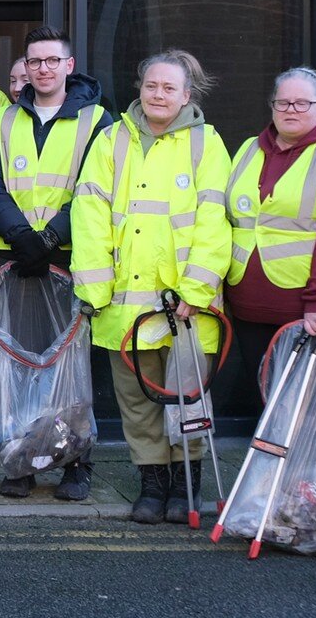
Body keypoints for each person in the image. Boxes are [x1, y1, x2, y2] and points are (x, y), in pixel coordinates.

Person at [70, 49, 231, 526]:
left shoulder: (206, 144)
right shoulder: (112, 140)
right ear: (139, 88)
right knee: (137, 404)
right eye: (151, 86)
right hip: (125, 305)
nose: (158, 95)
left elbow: (214, 222)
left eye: (169, 88)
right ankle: (152, 485)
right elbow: (90, 213)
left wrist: (196, 292)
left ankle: (186, 485)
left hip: (186, 307)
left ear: (186, 95)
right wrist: (96, 291)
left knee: (187, 399)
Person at [0, 25, 115, 500]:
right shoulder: (5, 120)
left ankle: (76, 463)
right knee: (18, 365)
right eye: (35, 62)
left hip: (73, 257)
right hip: (15, 258)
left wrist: (52, 236)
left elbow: (99, 191)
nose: (43, 69)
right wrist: (22, 237)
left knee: (71, 369)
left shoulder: (99, 121)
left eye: (52, 60)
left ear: (69, 66)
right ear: (26, 68)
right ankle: (21, 461)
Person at [220, 67, 316, 422]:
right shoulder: (248, 149)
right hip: (249, 309)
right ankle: (273, 477)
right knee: (269, 407)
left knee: (313, 414)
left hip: (310, 312)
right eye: (283, 102)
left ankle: (311, 480)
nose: (291, 109)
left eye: (302, 103)